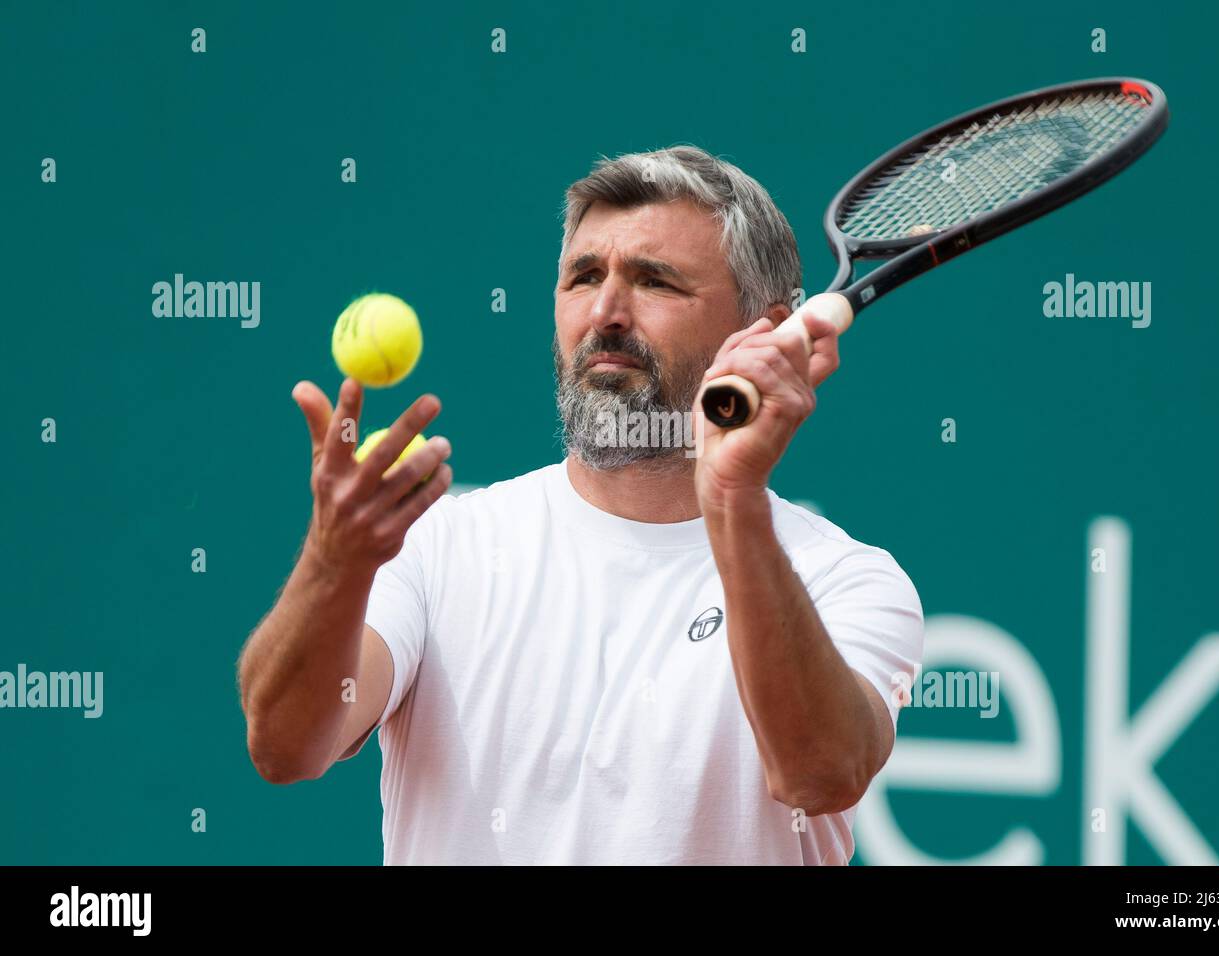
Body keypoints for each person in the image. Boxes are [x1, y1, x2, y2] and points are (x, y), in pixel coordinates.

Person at [237, 145, 924, 865]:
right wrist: (332, 561)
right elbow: (286, 746)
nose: (606, 312)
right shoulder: (438, 545)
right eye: (584, 276)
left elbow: (819, 772)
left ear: (765, 333)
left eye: (655, 281)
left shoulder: (848, 580)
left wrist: (731, 495)